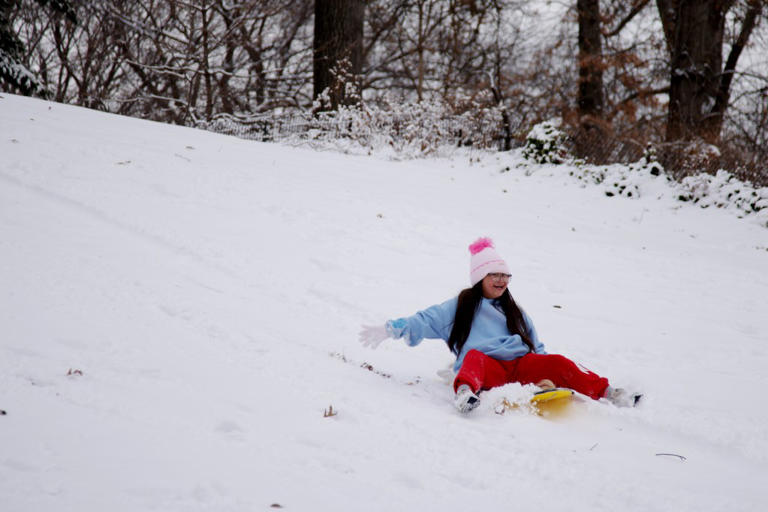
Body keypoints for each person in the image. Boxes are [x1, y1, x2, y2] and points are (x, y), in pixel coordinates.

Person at [358, 237, 642, 413]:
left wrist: (547, 371)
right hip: (488, 369)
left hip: (519, 365)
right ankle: (464, 394)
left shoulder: (514, 311)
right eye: (494, 274)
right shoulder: (459, 307)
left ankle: (609, 392)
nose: (501, 280)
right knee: (473, 357)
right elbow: (424, 320)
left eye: (505, 275)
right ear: (480, 277)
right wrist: (390, 328)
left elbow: (536, 347)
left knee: (558, 361)